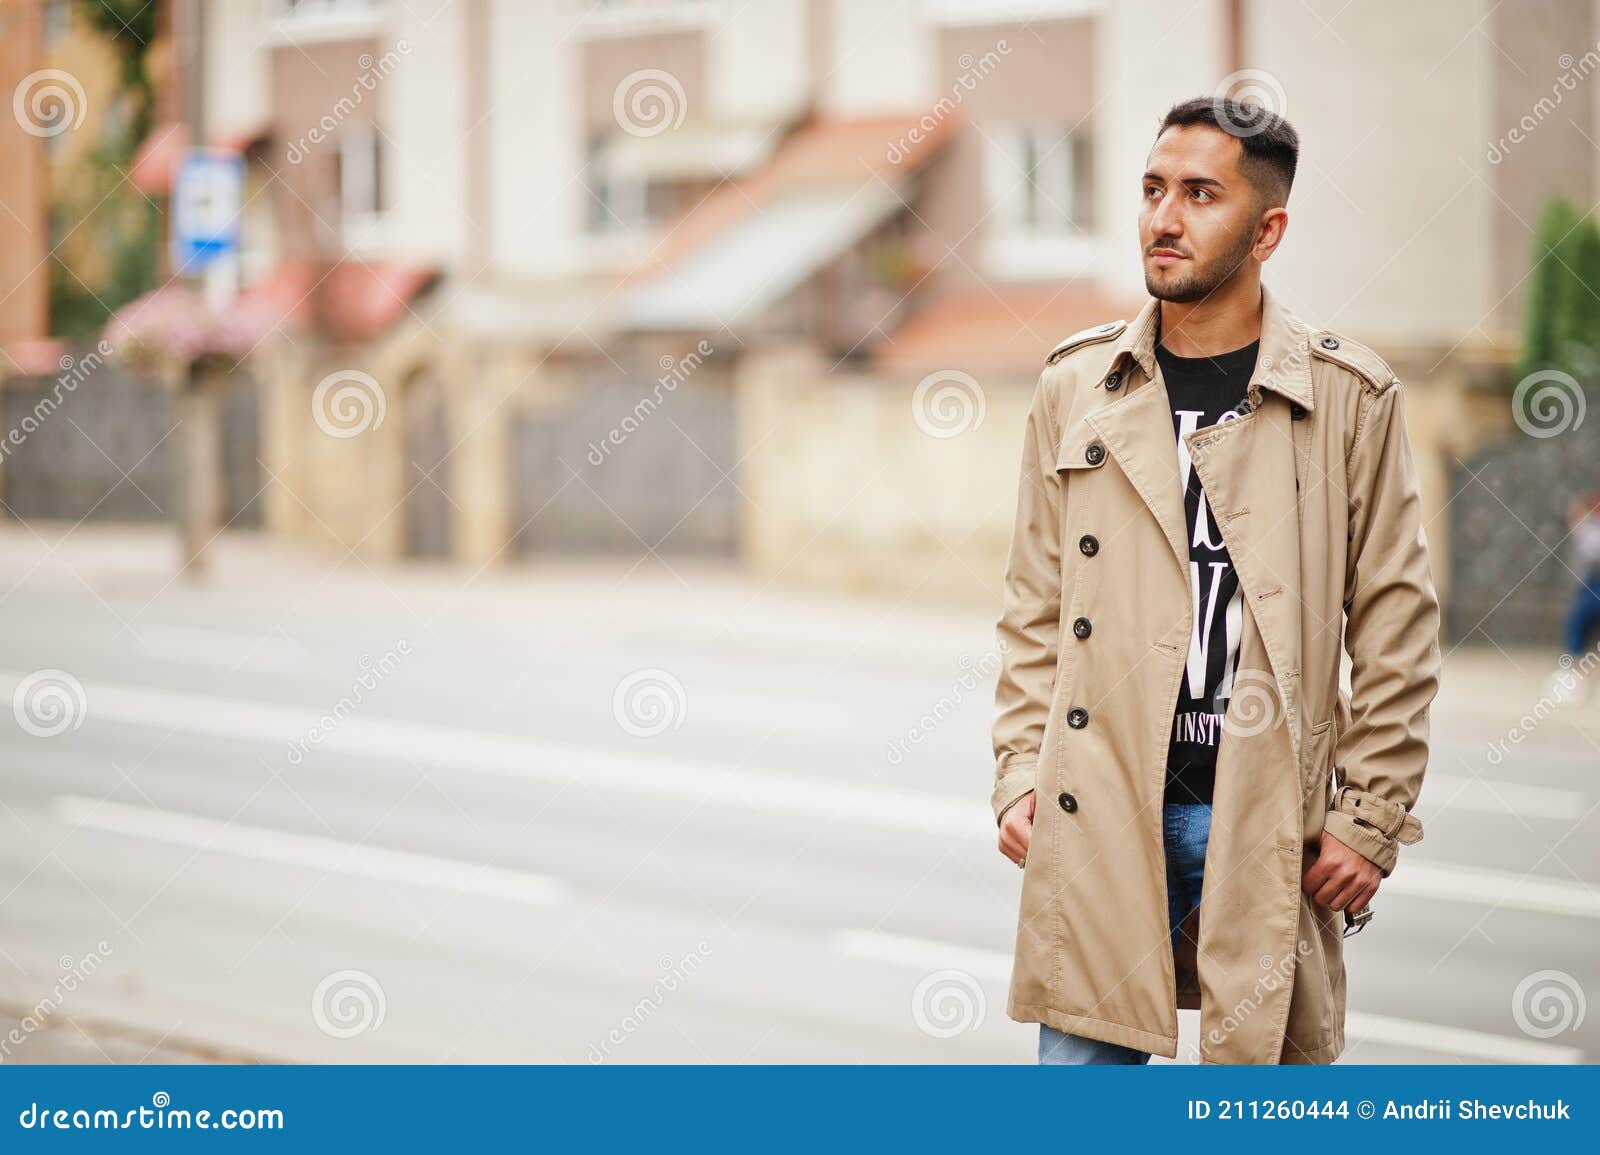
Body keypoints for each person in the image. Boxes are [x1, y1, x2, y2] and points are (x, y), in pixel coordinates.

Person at [990, 96, 1440, 1065]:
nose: (1162, 217)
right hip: (1102, 813)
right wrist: (1020, 773)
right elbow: (1033, 608)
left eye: (1199, 194)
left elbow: (1397, 633)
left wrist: (1368, 818)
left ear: (1267, 229)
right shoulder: (1077, 387)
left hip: (1265, 819)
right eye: (1152, 189)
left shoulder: (1346, 401)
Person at [1550, 492, 1600, 704]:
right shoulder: (1587, 529)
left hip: (1591, 589)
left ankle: (1573, 681)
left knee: (1577, 630)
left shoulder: (1589, 531)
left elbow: (1592, 553)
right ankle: (1573, 680)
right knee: (1576, 633)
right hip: (1587, 589)